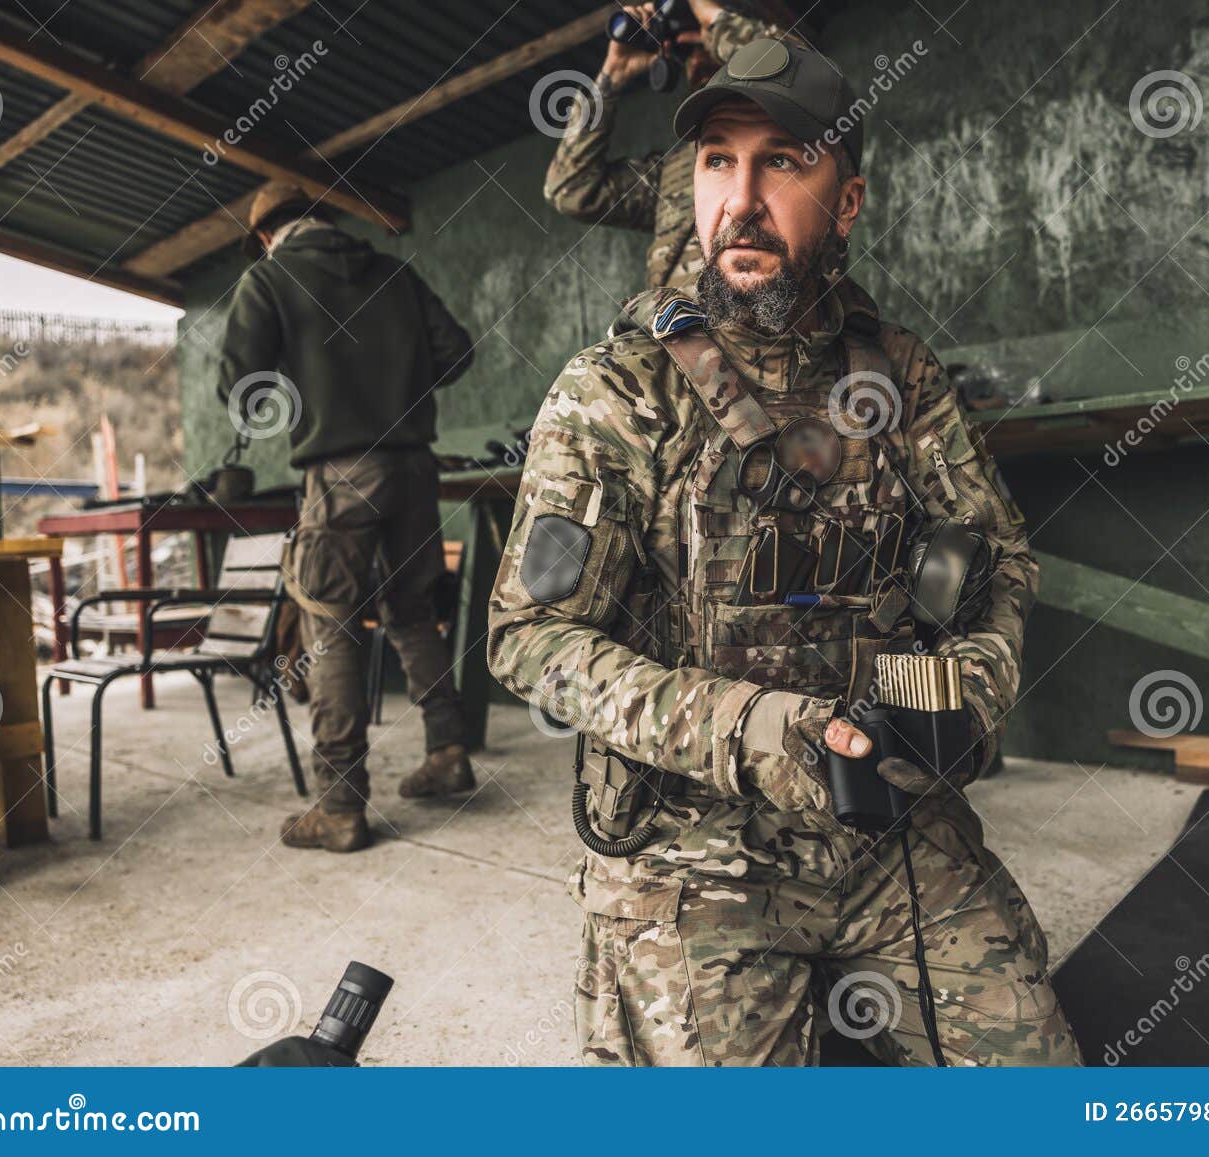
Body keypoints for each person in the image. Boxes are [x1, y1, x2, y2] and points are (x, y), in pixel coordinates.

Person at [489, 40, 1081, 1065]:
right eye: (718, 161)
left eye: (783, 162)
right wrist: (757, 730)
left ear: (847, 202)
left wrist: (963, 699)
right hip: (691, 848)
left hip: (889, 831)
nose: (741, 199)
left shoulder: (897, 377)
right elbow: (531, 637)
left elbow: (999, 560)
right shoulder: (620, 388)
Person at [216, 184, 478, 854]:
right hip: (415, 466)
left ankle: (339, 806)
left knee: (329, 624)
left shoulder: (268, 278)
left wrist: (312, 387)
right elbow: (457, 351)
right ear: (325, 220)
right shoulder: (394, 272)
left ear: (266, 236)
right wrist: (392, 385)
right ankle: (448, 750)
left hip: (340, 474)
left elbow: (240, 389)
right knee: (411, 610)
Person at [544, 0, 798, 290]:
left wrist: (714, 18)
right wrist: (614, 73)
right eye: (688, 51)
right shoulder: (673, 171)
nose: (697, 57)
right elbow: (570, 189)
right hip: (674, 319)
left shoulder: (801, 142)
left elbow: (794, 73)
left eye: (715, 44)